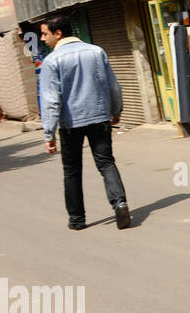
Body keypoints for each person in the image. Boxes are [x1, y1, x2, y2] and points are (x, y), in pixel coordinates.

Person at [39, 14, 131, 230]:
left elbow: (52, 100)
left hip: (70, 124)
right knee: (106, 163)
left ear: (58, 33)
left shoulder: (52, 61)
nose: (42, 39)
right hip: (99, 118)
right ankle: (120, 203)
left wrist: (49, 134)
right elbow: (114, 86)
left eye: (45, 34)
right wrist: (115, 110)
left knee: (71, 170)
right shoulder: (96, 51)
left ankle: (77, 219)